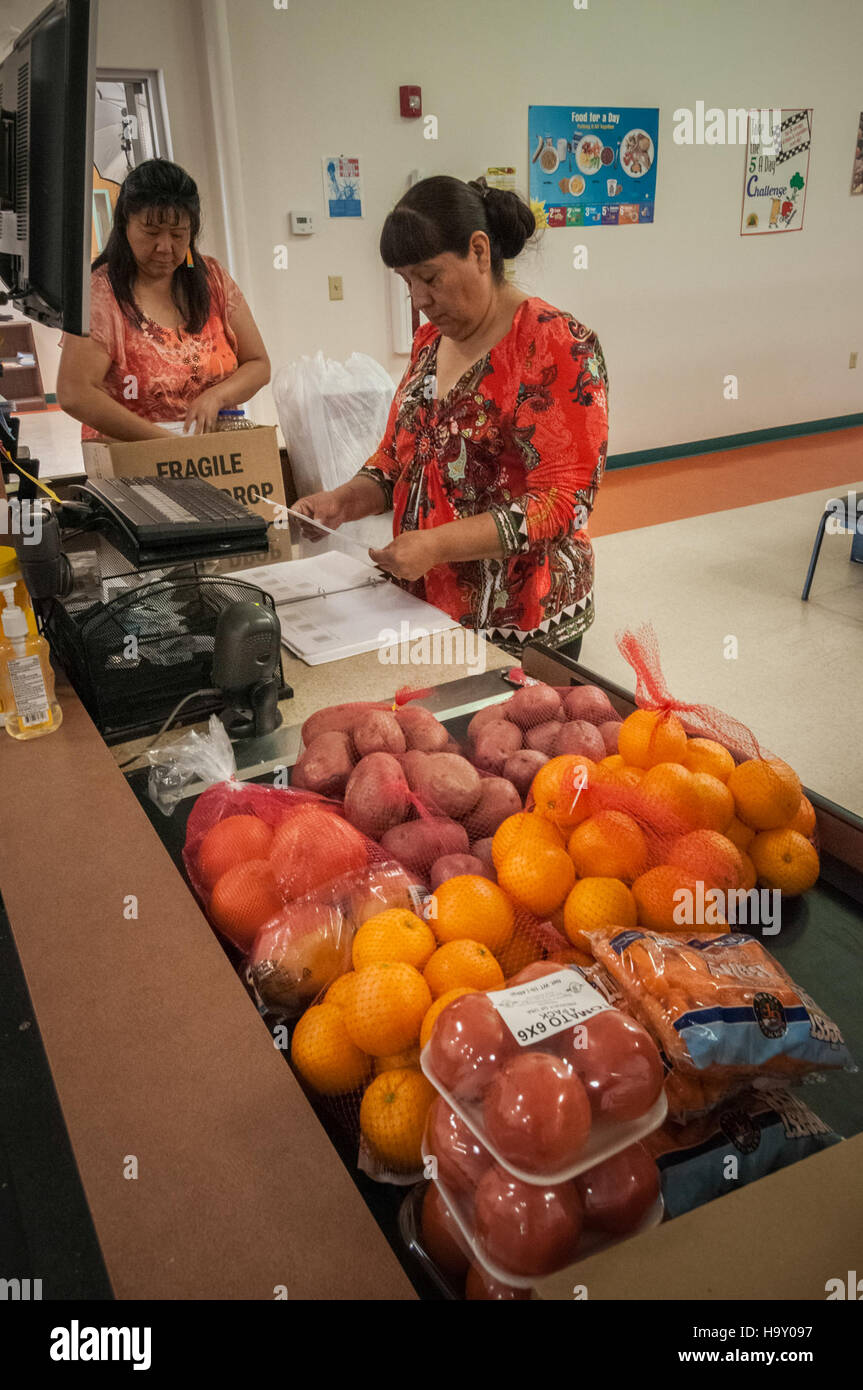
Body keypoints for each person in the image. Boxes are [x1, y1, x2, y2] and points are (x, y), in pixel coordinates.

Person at [294, 175, 608, 659]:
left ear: (480, 252)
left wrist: (438, 544)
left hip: (523, 620)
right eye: (406, 282)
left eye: (430, 277)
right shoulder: (429, 344)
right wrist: (341, 502)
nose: (418, 299)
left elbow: (564, 503)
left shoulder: (554, 344)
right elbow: (398, 460)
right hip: (426, 608)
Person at [57, 159, 270, 440]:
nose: (165, 247)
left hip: (211, 453)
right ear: (125, 225)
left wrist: (216, 397)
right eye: (151, 232)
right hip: (133, 457)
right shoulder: (101, 292)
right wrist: (165, 445)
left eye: (179, 235)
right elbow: (75, 393)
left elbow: (258, 364)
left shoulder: (213, 278)